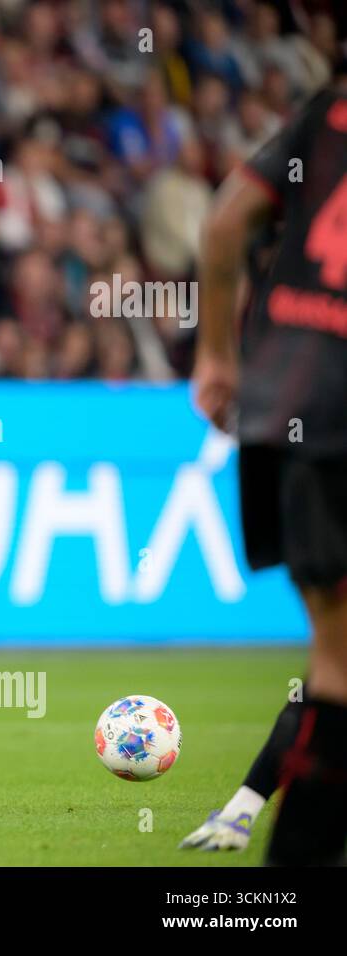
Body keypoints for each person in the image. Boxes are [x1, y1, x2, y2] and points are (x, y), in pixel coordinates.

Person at [190, 64, 347, 864]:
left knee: (335, 663)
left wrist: (217, 356)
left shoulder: (323, 115)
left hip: (291, 403)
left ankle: (256, 822)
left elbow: (225, 226)